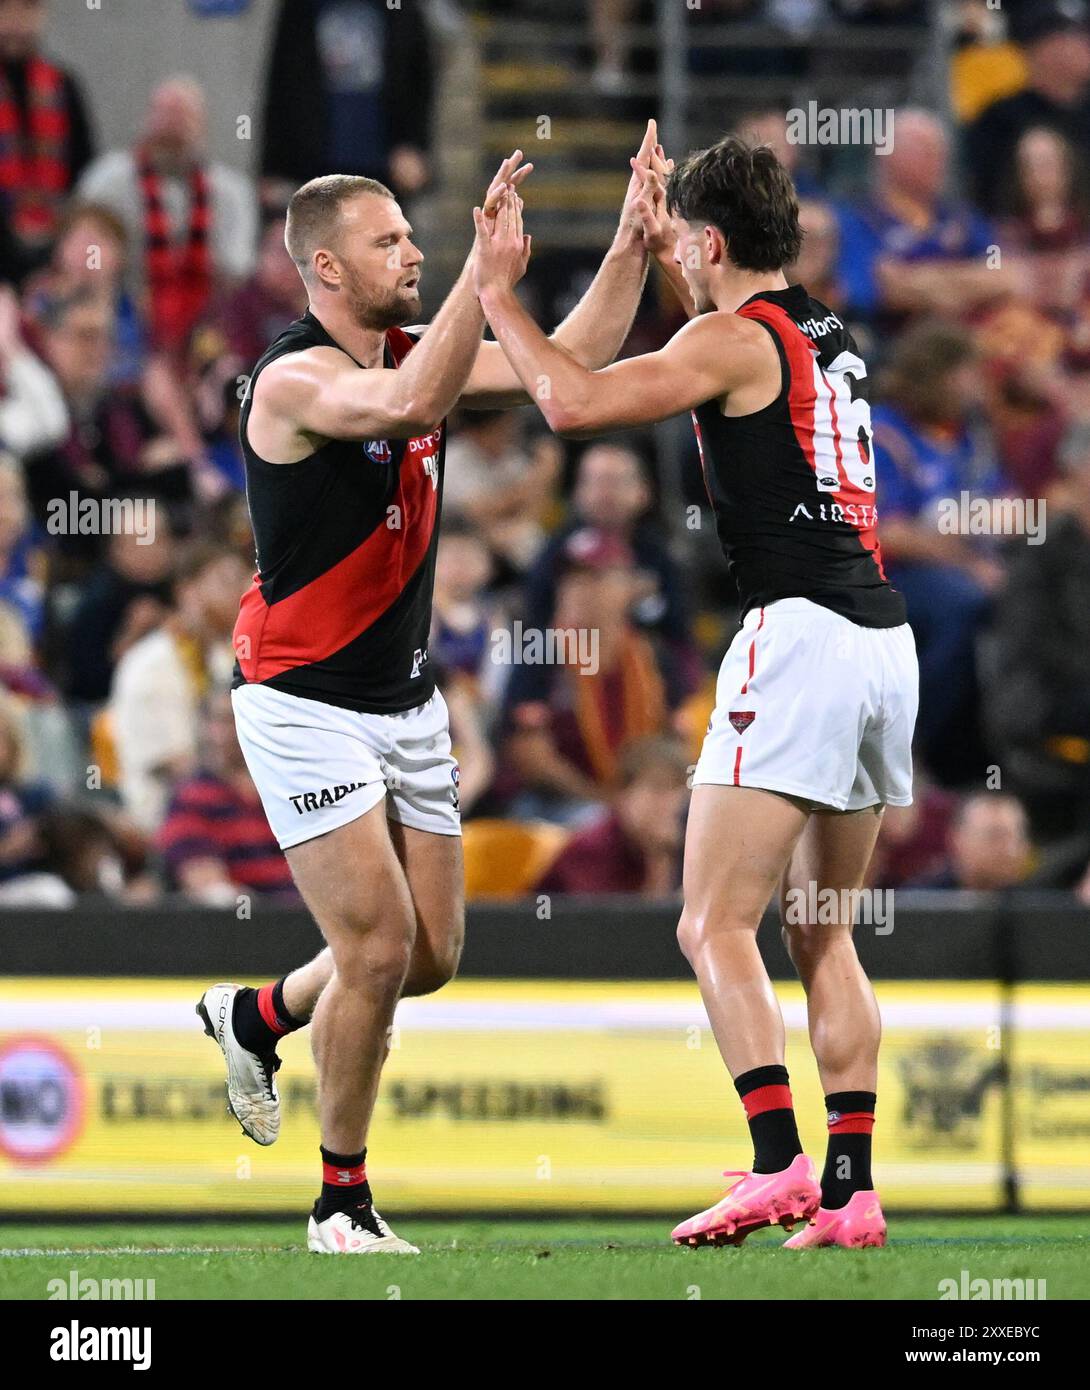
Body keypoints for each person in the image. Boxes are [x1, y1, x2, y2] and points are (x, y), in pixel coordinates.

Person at [196, 127, 669, 1255]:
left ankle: (253, 1015)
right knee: (371, 951)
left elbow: (572, 365)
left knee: (430, 955)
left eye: (414, 237)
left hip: (404, 700)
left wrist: (628, 248)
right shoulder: (295, 377)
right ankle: (339, 1202)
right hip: (301, 696)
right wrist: (479, 279)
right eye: (389, 239)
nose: (412, 250)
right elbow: (412, 401)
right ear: (325, 269)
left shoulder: (418, 345)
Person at [471, 134, 919, 1251]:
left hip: (800, 636)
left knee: (711, 920)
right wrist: (650, 232)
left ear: (712, 244)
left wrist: (497, 296)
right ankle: (852, 1187)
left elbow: (569, 405)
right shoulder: (819, 325)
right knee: (825, 932)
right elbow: (713, 317)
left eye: (684, 241)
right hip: (879, 639)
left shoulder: (726, 340)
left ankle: (776, 1164)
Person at [77, 76, 258, 353]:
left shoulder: (231, 192)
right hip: (119, 320)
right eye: (164, 114)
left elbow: (237, 273)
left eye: (183, 116)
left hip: (207, 328)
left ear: (203, 127)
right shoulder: (107, 182)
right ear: (145, 119)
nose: (172, 127)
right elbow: (81, 258)